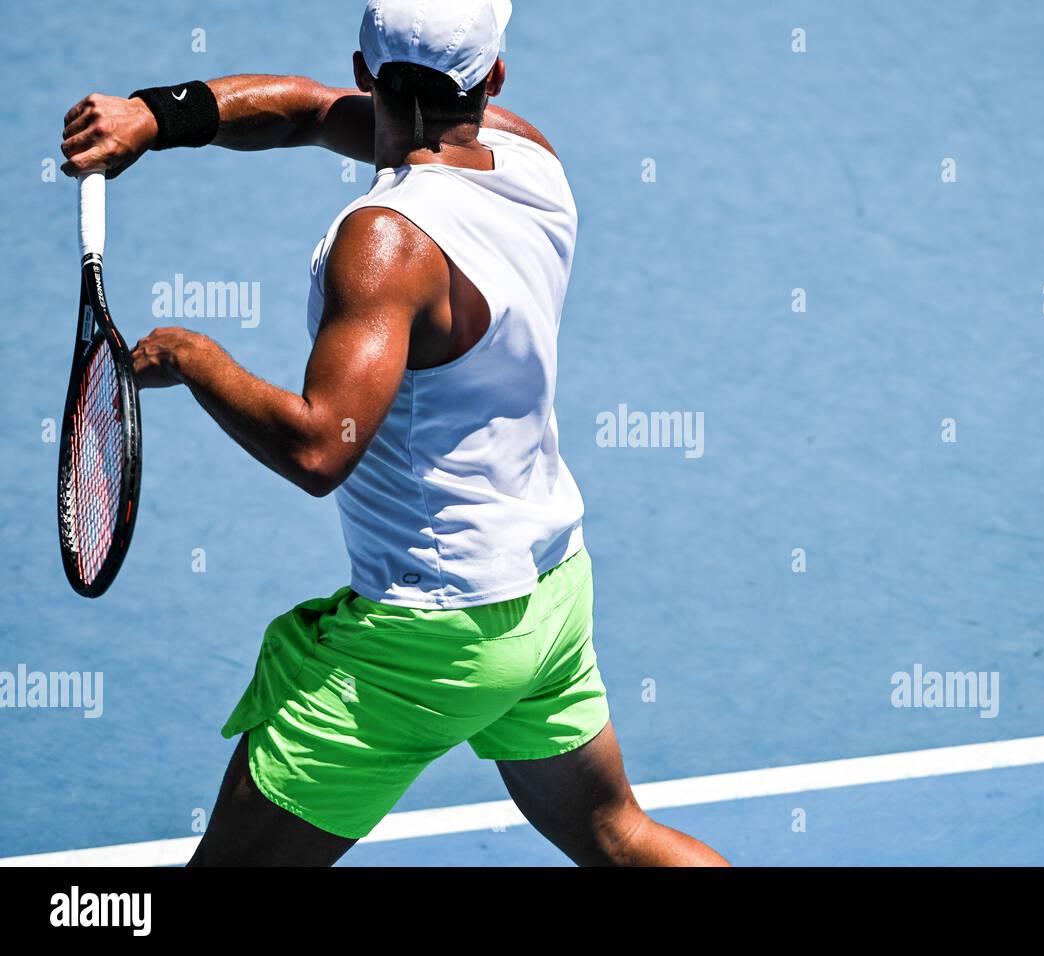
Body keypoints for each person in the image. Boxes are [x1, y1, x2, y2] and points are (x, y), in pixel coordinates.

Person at [60, 0, 728, 867]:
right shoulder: (528, 155)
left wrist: (197, 360)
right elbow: (304, 108)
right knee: (617, 834)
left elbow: (319, 447)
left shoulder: (386, 244)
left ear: (368, 72)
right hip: (548, 597)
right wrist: (159, 114)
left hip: (425, 641)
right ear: (492, 80)